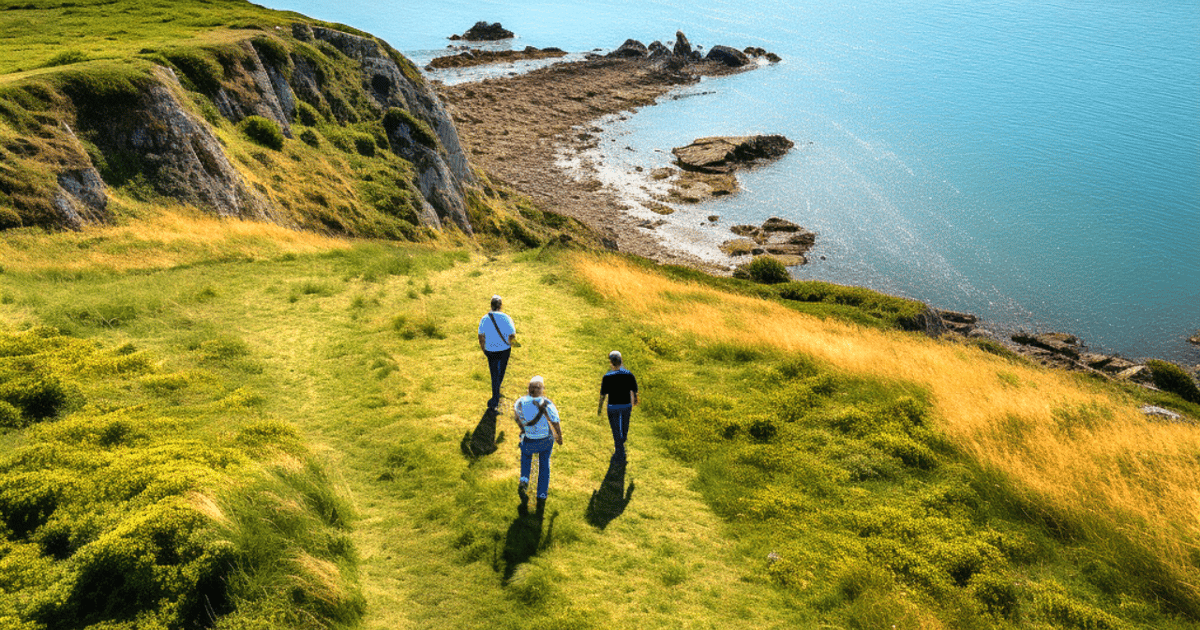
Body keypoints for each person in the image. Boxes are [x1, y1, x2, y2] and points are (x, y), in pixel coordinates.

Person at [513, 375, 562, 514]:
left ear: (528, 389)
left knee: (526, 458)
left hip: (528, 439)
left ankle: (524, 479)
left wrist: (523, 429)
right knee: (544, 465)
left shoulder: (520, 402)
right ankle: (541, 495)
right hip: (545, 441)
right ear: (542, 390)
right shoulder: (547, 403)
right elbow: (555, 421)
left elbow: (517, 417)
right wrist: (559, 436)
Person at [597, 350, 639, 458]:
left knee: (615, 429)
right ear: (621, 361)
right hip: (626, 405)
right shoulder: (629, 375)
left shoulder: (607, 377)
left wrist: (600, 408)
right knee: (625, 426)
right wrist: (635, 400)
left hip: (612, 406)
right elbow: (634, 389)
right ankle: (622, 443)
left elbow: (603, 394)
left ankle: (619, 450)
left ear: (611, 362)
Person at [478, 295, 516, 409]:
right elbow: (512, 335)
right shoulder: (506, 318)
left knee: (494, 373)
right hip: (504, 349)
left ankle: (495, 395)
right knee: (501, 371)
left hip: (490, 350)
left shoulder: (484, 319)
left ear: (491, 305)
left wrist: (483, 349)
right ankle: (495, 397)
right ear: (501, 305)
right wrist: (510, 344)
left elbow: (481, 336)